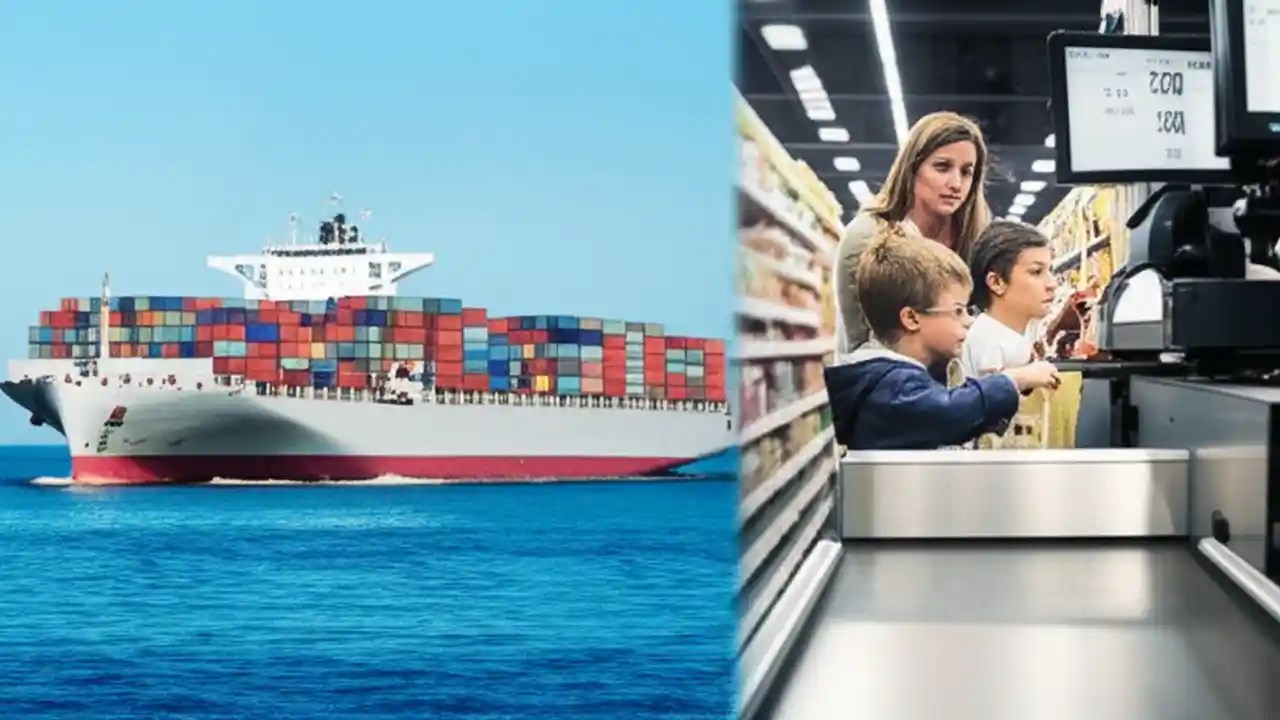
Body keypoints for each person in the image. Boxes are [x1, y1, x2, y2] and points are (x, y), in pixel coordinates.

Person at [822, 225, 1061, 450]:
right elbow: (950, 411)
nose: (968, 321)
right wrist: (1013, 380)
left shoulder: (882, 376)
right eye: (958, 311)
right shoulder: (891, 386)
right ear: (912, 319)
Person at [834, 111, 993, 354]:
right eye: (942, 167)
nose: (956, 184)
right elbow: (862, 341)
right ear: (912, 168)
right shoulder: (867, 236)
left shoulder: (974, 239)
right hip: (889, 383)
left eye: (966, 172)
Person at [959, 220, 1059, 378]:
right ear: (996, 282)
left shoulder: (1026, 330)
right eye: (1036, 272)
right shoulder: (986, 343)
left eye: (1051, 270)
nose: (1052, 284)